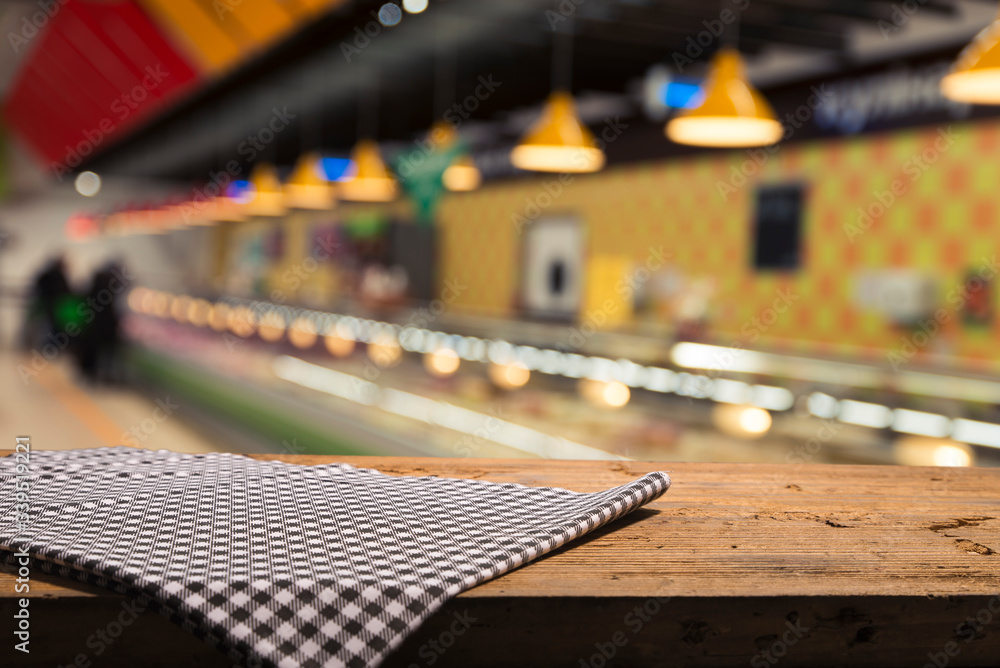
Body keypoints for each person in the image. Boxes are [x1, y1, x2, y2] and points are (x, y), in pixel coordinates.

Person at [23, 254, 71, 350]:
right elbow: (66, 291)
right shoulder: (56, 276)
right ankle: (48, 347)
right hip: (52, 307)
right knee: (48, 328)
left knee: (48, 328)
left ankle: (48, 347)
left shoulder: (48, 275)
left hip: (51, 307)